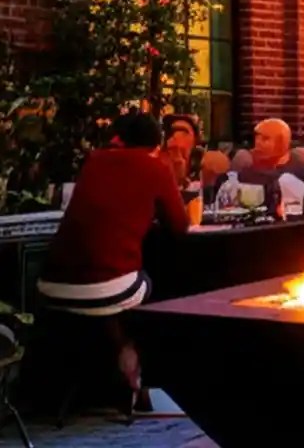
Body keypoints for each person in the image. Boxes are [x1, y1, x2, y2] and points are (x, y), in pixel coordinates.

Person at [36, 114, 189, 405]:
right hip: (108, 287)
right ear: (156, 143)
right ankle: (135, 367)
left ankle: (113, 368)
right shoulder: (155, 168)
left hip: (51, 284)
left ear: (119, 139)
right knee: (156, 287)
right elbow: (179, 226)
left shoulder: (94, 161)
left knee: (111, 297)